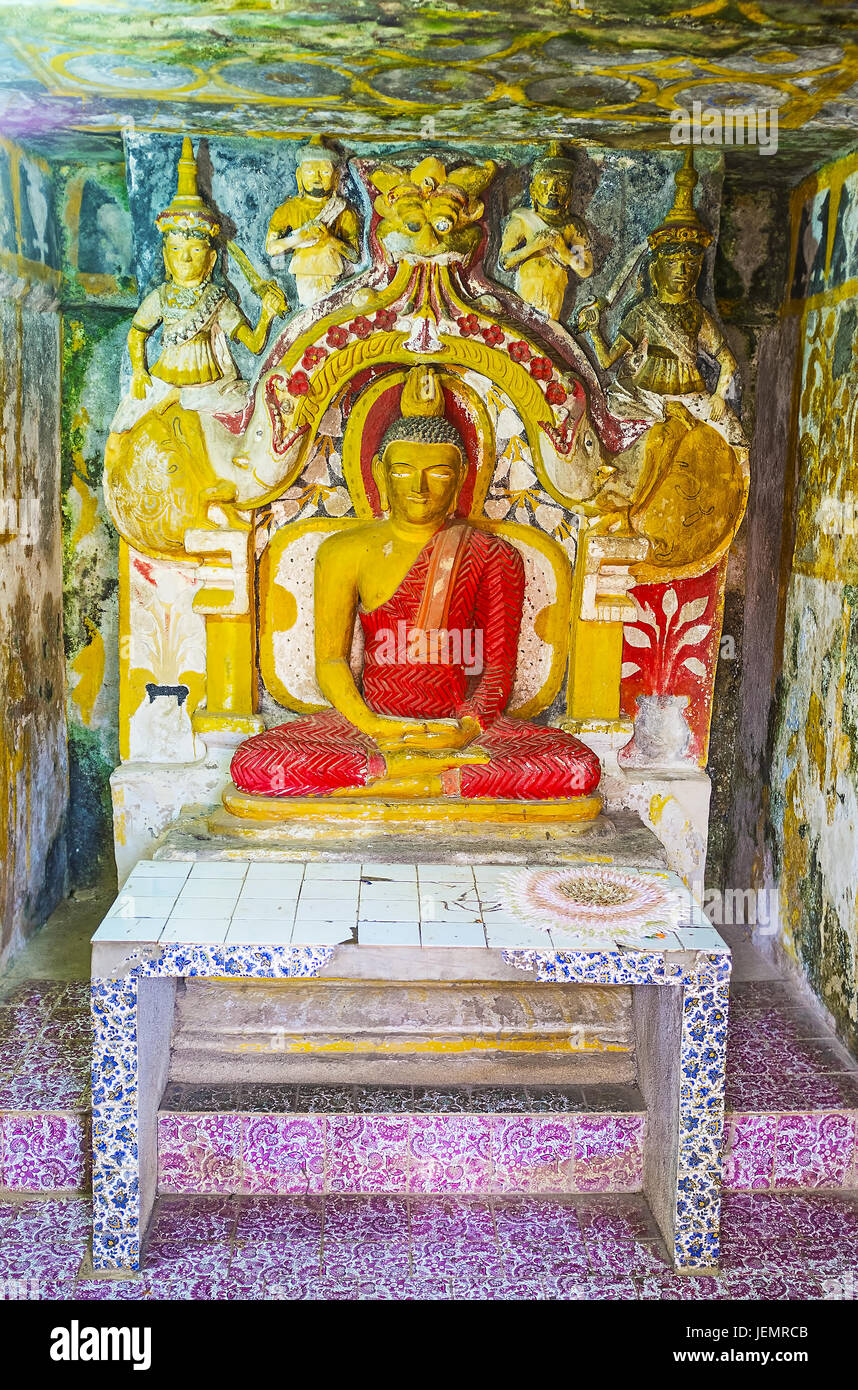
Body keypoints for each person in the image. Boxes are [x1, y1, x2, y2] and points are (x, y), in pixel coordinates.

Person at [230, 366, 601, 801]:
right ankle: (437, 779)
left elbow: (496, 671)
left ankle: (402, 776)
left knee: (577, 767)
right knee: (256, 762)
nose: (420, 487)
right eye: (403, 470)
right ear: (378, 473)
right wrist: (372, 725)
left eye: (439, 472)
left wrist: (462, 731)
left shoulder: (492, 555)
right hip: (369, 725)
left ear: (462, 476)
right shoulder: (344, 551)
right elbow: (330, 661)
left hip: (461, 730)